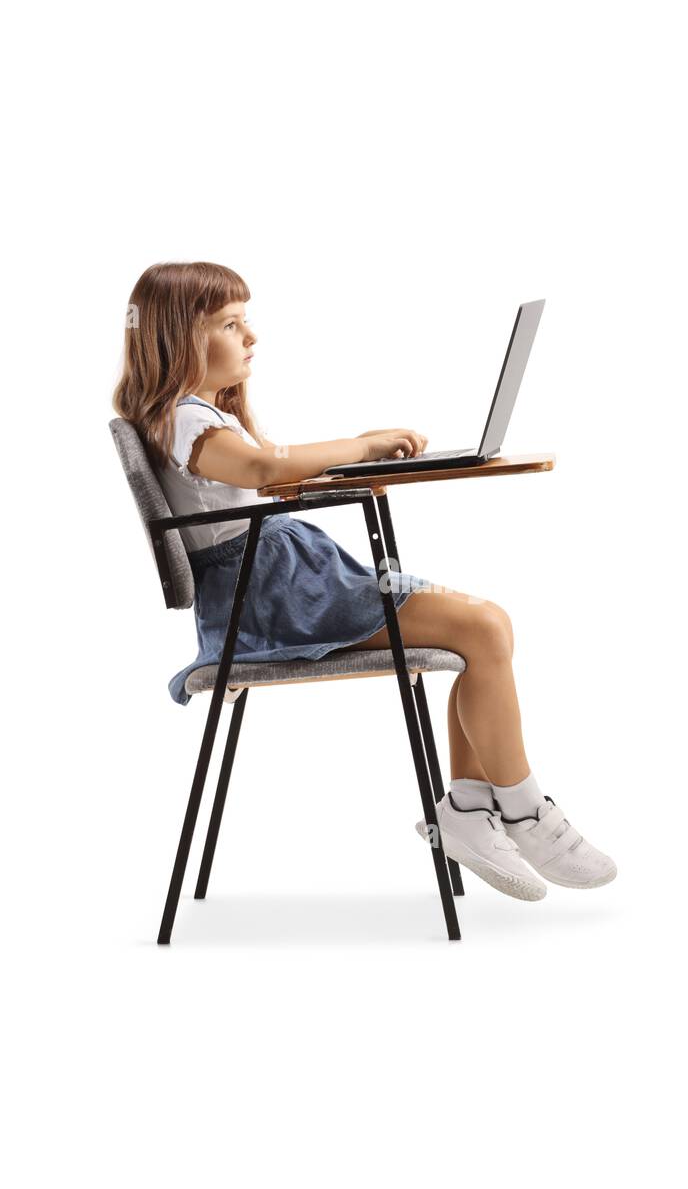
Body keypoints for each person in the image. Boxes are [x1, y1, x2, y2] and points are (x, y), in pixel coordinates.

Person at [112, 261, 617, 902]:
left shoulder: (201, 413)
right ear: (177, 336)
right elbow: (267, 467)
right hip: (267, 598)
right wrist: (361, 444)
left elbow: (265, 474)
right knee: (483, 625)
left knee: (484, 631)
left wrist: (349, 461)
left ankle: (468, 807)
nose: (251, 337)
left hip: (281, 581)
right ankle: (521, 811)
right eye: (231, 324)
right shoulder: (183, 417)